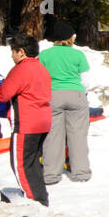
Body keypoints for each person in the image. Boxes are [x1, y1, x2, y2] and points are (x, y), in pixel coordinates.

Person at [0, 35, 51, 206]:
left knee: (21, 164)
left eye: (13, 52)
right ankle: (41, 197)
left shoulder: (21, 69)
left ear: (21, 52)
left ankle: (35, 201)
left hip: (26, 123)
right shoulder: (41, 68)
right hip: (43, 121)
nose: (12, 56)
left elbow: (3, 94)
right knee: (33, 163)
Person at [40, 21, 92, 185]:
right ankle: (81, 172)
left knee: (53, 136)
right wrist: (81, 93)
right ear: (70, 38)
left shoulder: (45, 55)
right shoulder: (78, 55)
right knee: (78, 135)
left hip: (53, 95)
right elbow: (86, 79)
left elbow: (40, 78)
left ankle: (51, 175)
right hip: (75, 94)